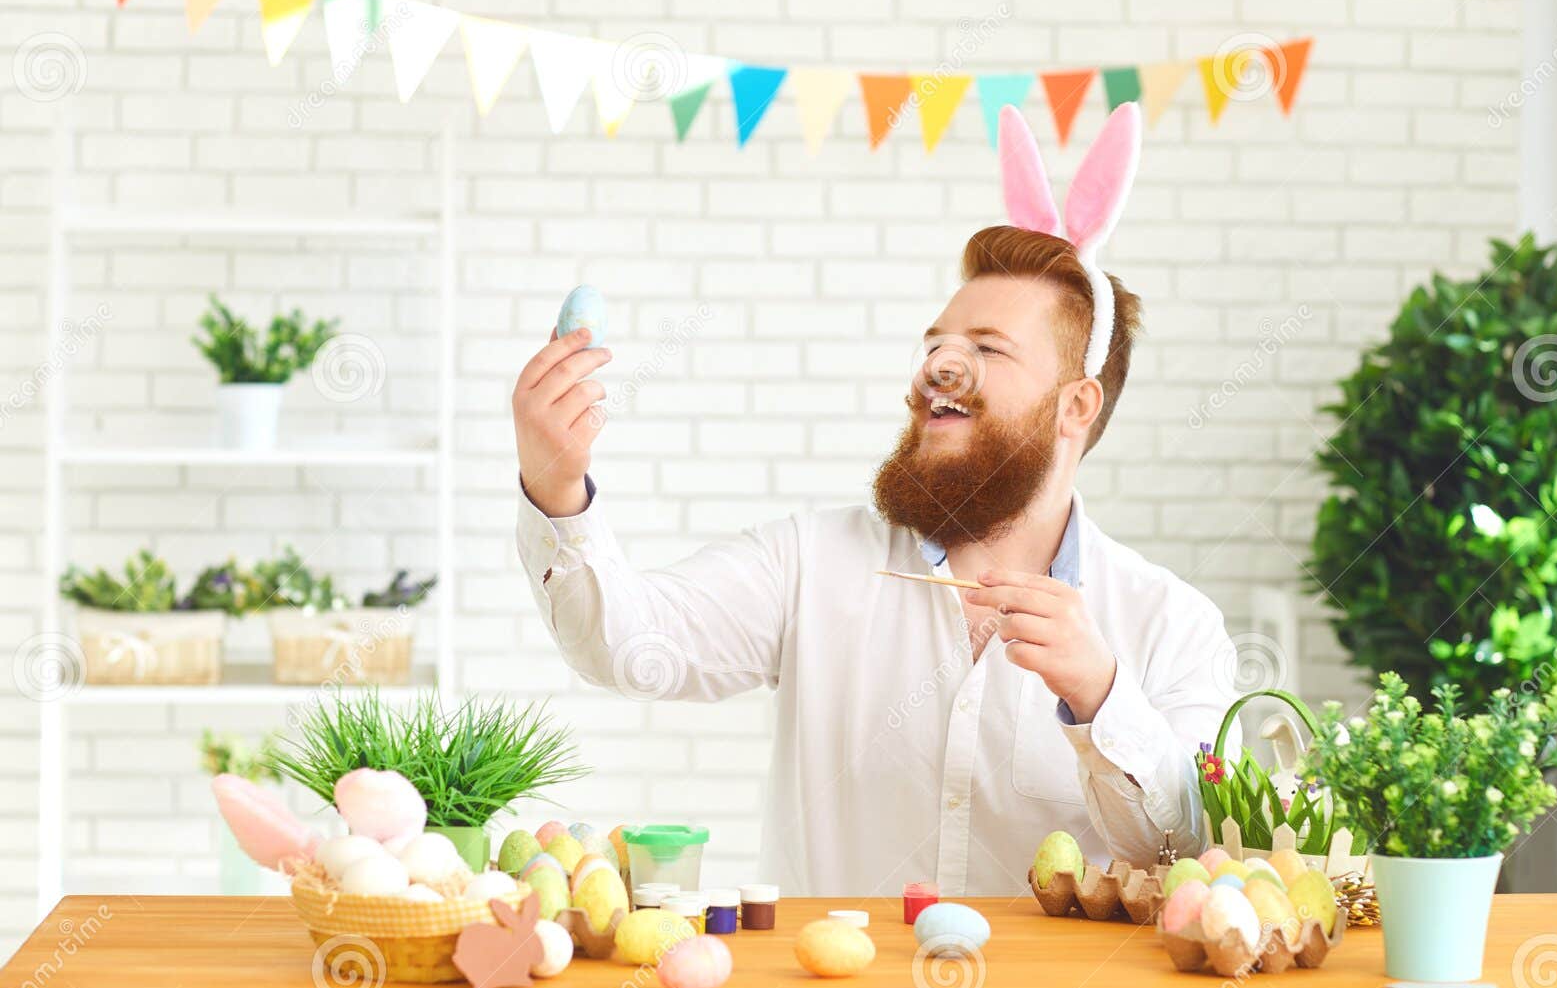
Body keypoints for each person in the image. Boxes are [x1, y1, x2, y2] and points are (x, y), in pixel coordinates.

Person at [511, 106, 1234, 896]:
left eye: (986, 350)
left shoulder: (1171, 625)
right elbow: (622, 645)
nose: (938, 370)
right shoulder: (808, 564)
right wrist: (556, 481)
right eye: (936, 346)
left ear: (1077, 406)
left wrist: (1102, 695)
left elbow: (1190, 854)